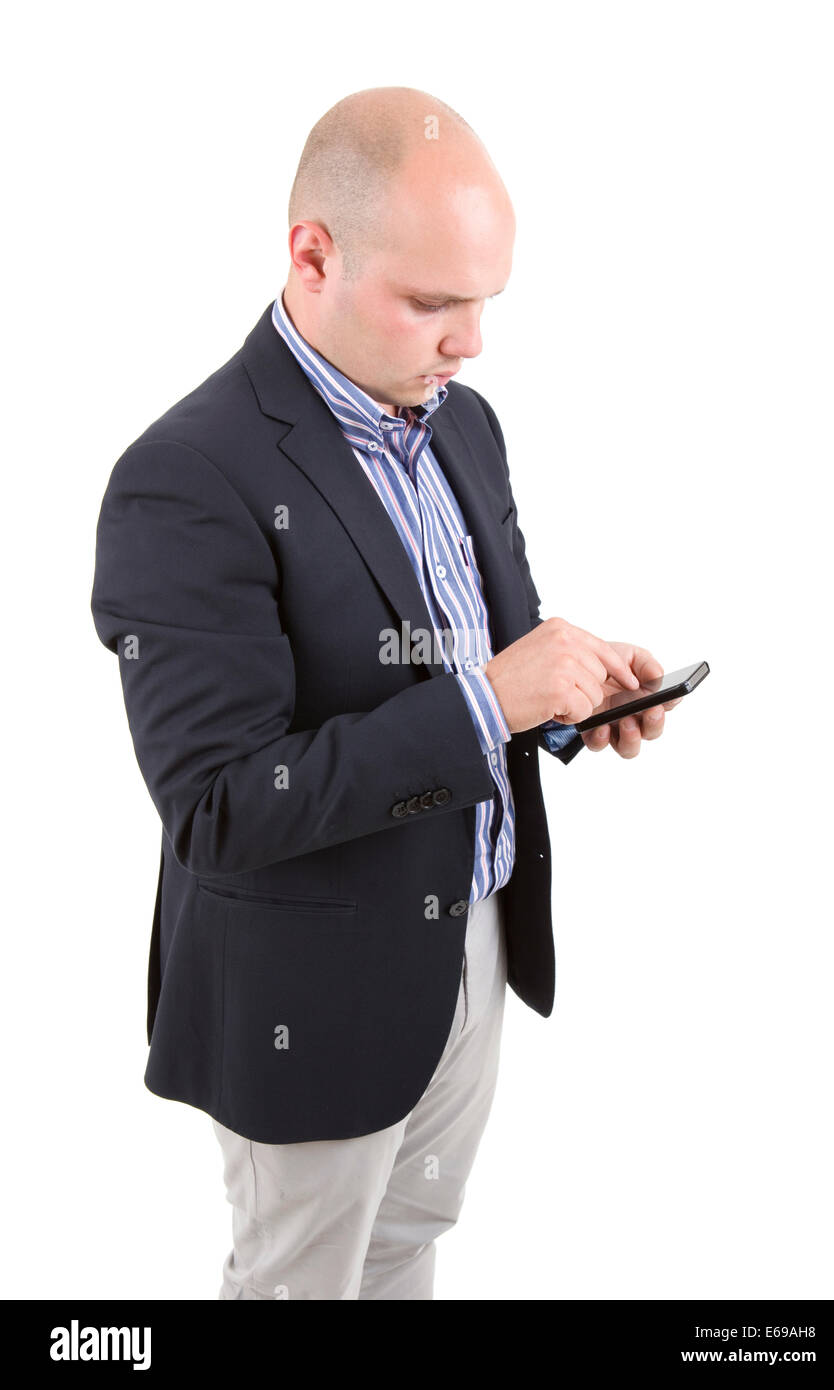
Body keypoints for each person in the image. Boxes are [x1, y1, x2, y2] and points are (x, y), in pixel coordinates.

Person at [90, 85, 680, 1300]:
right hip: (308, 978)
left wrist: (571, 697)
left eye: (484, 301)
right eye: (433, 302)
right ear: (312, 255)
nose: (470, 342)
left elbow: (466, 662)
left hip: (470, 930)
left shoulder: (464, 428)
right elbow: (216, 807)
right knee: (301, 1283)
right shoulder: (183, 477)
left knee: (407, 1254)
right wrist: (488, 705)